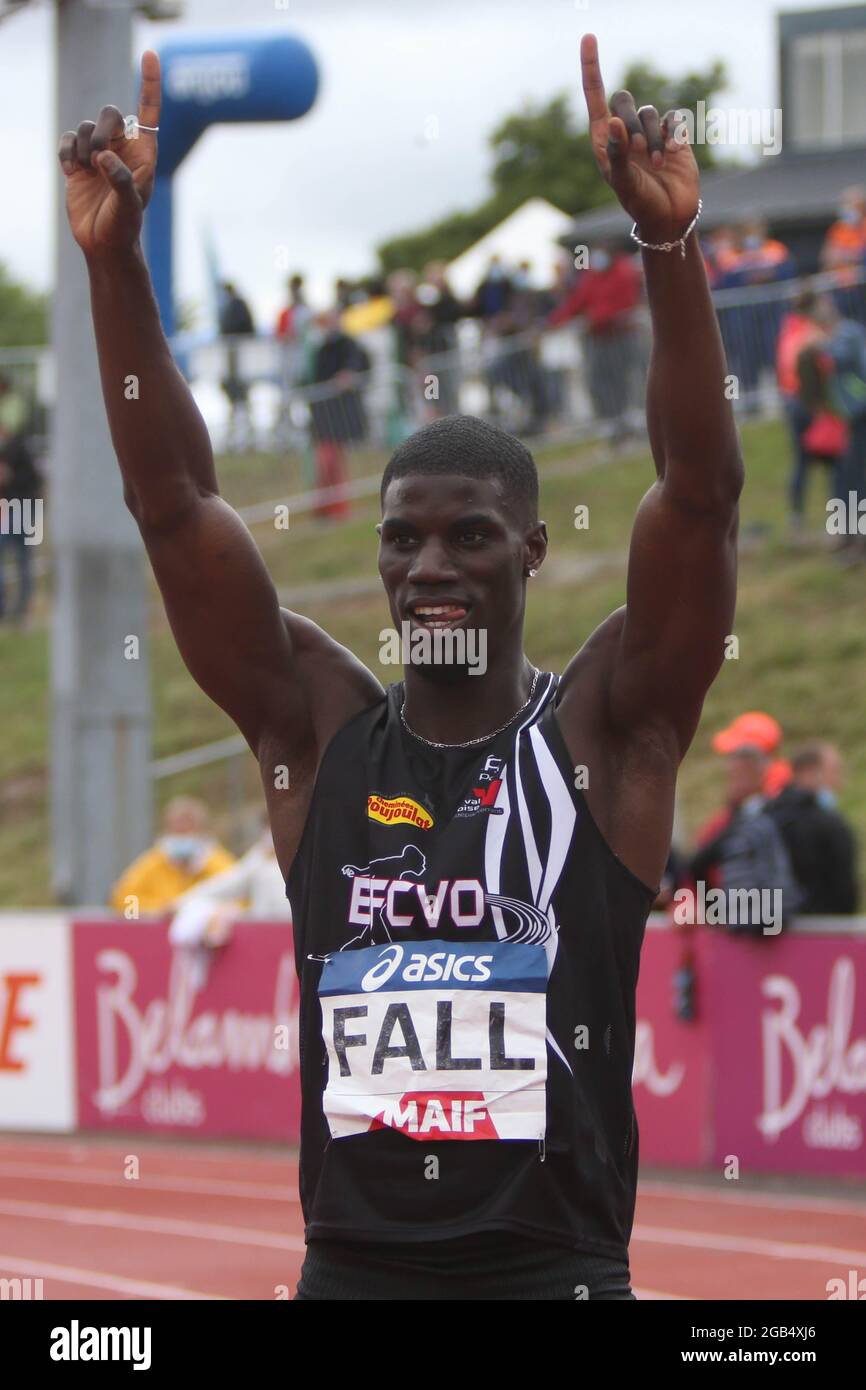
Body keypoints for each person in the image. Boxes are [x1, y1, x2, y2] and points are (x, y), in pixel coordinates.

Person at [61, 36, 743, 1301]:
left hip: (555, 1276)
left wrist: (667, 250)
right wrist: (116, 269)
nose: (429, 564)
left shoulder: (604, 734)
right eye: (401, 537)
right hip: (353, 1276)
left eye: (468, 535)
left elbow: (696, 500)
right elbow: (175, 507)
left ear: (530, 549)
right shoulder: (312, 734)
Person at [689, 745, 800, 931]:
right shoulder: (725, 821)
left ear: (760, 774)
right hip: (737, 923)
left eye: (740, 775)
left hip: (774, 922)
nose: (734, 783)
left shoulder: (773, 815)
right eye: (732, 777)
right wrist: (714, 911)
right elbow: (697, 864)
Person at [545, 240, 642, 441]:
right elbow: (577, 302)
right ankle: (614, 426)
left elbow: (624, 304)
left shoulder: (624, 271)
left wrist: (593, 319)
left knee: (626, 381)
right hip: (599, 340)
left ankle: (632, 425)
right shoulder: (591, 276)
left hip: (621, 337)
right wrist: (552, 322)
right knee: (599, 382)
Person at [766, 743, 858, 915]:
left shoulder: (763, 815)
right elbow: (845, 894)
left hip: (762, 926)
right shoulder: (829, 824)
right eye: (834, 772)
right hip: (819, 929)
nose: (839, 782)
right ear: (809, 772)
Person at [109, 796, 235, 915]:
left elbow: (241, 901)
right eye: (176, 831)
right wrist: (158, 909)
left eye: (186, 831)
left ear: (202, 831)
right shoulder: (154, 862)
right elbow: (121, 900)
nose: (181, 837)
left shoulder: (220, 864)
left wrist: (200, 912)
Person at [306, 309, 370, 520]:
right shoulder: (320, 349)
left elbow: (356, 367)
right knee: (324, 460)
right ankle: (324, 506)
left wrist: (347, 377)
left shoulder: (348, 345)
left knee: (335, 460)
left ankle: (337, 508)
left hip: (339, 414)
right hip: (323, 414)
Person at [0, 375, 41, 627]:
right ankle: (10, 610)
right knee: (18, 559)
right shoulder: (12, 446)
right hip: (13, 508)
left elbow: (27, 478)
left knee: (23, 559)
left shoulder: (17, 446)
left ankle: (19, 611)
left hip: (22, 507)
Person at [218, 280, 255, 450]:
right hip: (232, 363)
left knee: (243, 401)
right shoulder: (228, 307)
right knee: (235, 402)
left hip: (240, 360)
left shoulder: (237, 306)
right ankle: (236, 437)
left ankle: (247, 436)